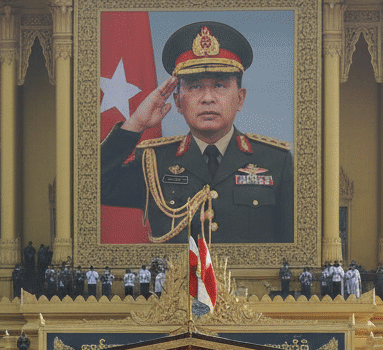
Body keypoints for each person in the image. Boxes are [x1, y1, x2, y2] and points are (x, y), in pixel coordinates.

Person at [100, 22, 293, 244]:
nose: (208, 98)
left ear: (240, 98)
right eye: (194, 87)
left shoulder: (275, 161)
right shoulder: (154, 162)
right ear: (177, 101)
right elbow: (88, 187)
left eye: (220, 85)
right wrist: (135, 123)